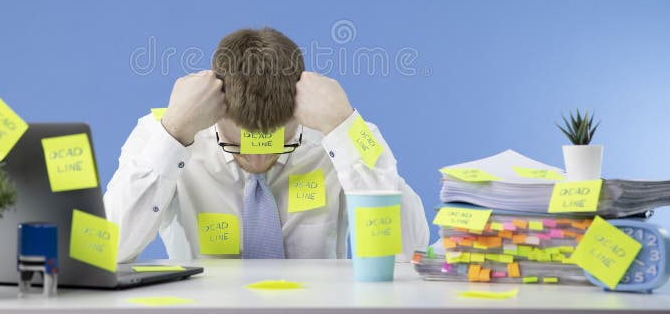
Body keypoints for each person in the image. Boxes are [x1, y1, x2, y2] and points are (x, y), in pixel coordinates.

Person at [104, 27, 429, 261]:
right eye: (238, 145)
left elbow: (410, 250)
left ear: (298, 113)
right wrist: (172, 134)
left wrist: (344, 128)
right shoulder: (164, 134)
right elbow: (106, 251)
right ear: (217, 113)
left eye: (279, 144)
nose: (258, 162)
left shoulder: (344, 136)